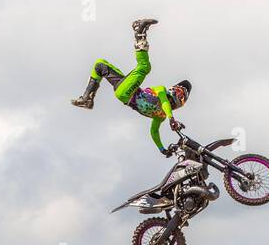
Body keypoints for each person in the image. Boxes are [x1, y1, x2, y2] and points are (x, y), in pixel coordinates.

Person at [71, 18, 192, 153]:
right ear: (173, 90)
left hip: (127, 93)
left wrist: (162, 148)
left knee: (144, 67)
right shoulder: (161, 93)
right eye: (180, 93)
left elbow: (154, 131)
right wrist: (171, 119)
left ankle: (140, 32)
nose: (179, 97)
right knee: (99, 65)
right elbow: (164, 101)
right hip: (127, 91)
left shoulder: (161, 116)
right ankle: (87, 98)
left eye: (182, 97)